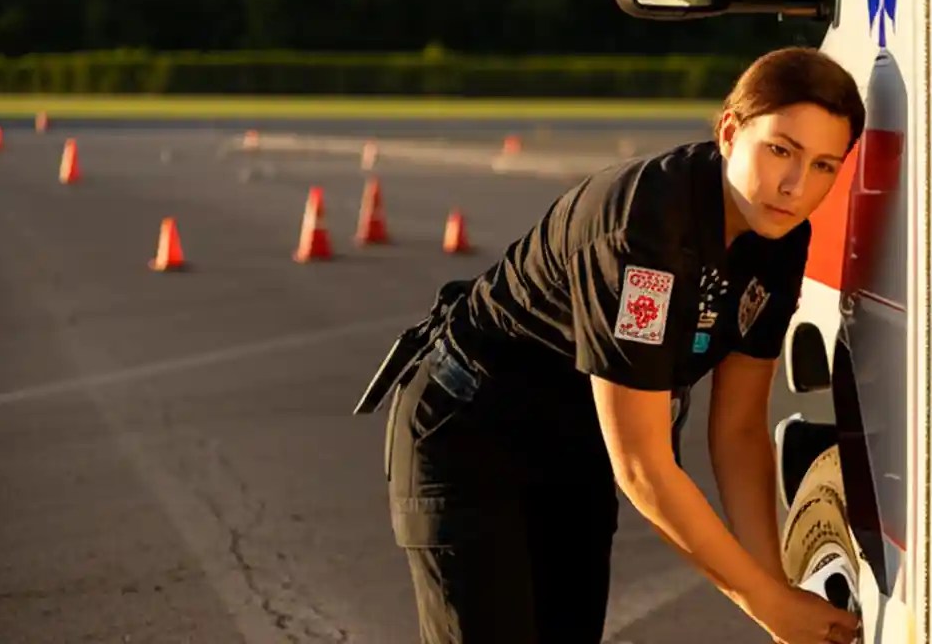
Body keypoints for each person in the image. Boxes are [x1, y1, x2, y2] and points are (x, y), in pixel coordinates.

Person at [362, 46, 866, 644]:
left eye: (824, 166)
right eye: (780, 150)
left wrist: (776, 590)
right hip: (471, 432)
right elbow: (642, 463)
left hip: (575, 446)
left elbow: (737, 430)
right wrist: (765, 604)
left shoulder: (779, 238)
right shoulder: (646, 228)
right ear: (731, 131)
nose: (794, 185)